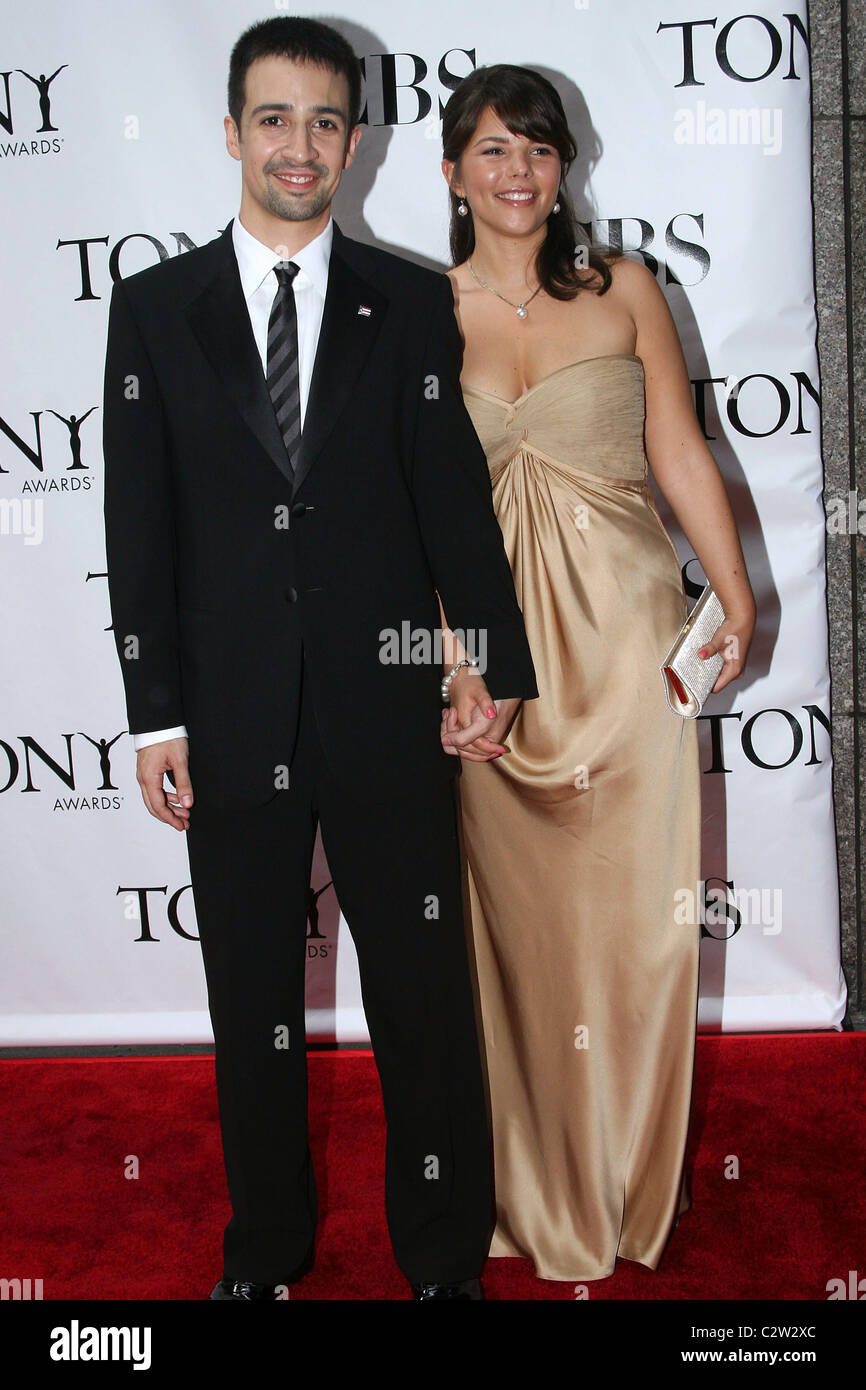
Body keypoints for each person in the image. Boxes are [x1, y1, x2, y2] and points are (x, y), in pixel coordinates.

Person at [102, 21, 538, 1302]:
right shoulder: (155, 308)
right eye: (275, 120)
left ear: (357, 138)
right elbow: (138, 523)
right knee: (252, 1002)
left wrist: (488, 657)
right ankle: (264, 1253)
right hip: (229, 715)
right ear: (232, 133)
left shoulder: (405, 301)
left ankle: (443, 1260)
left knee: (420, 993)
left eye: (326, 122)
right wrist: (152, 713)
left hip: (387, 698)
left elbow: (449, 497)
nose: (301, 147)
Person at [437, 64, 756, 1281]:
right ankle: (526, 1184)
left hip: (626, 649)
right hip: (488, 666)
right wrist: (449, 663)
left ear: (563, 165)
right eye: (491, 148)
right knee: (511, 937)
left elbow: (676, 447)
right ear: (454, 171)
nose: (517, 170)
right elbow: (412, 509)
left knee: (635, 930)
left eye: (537, 147)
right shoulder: (414, 311)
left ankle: (625, 1188)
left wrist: (730, 591)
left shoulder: (622, 287)